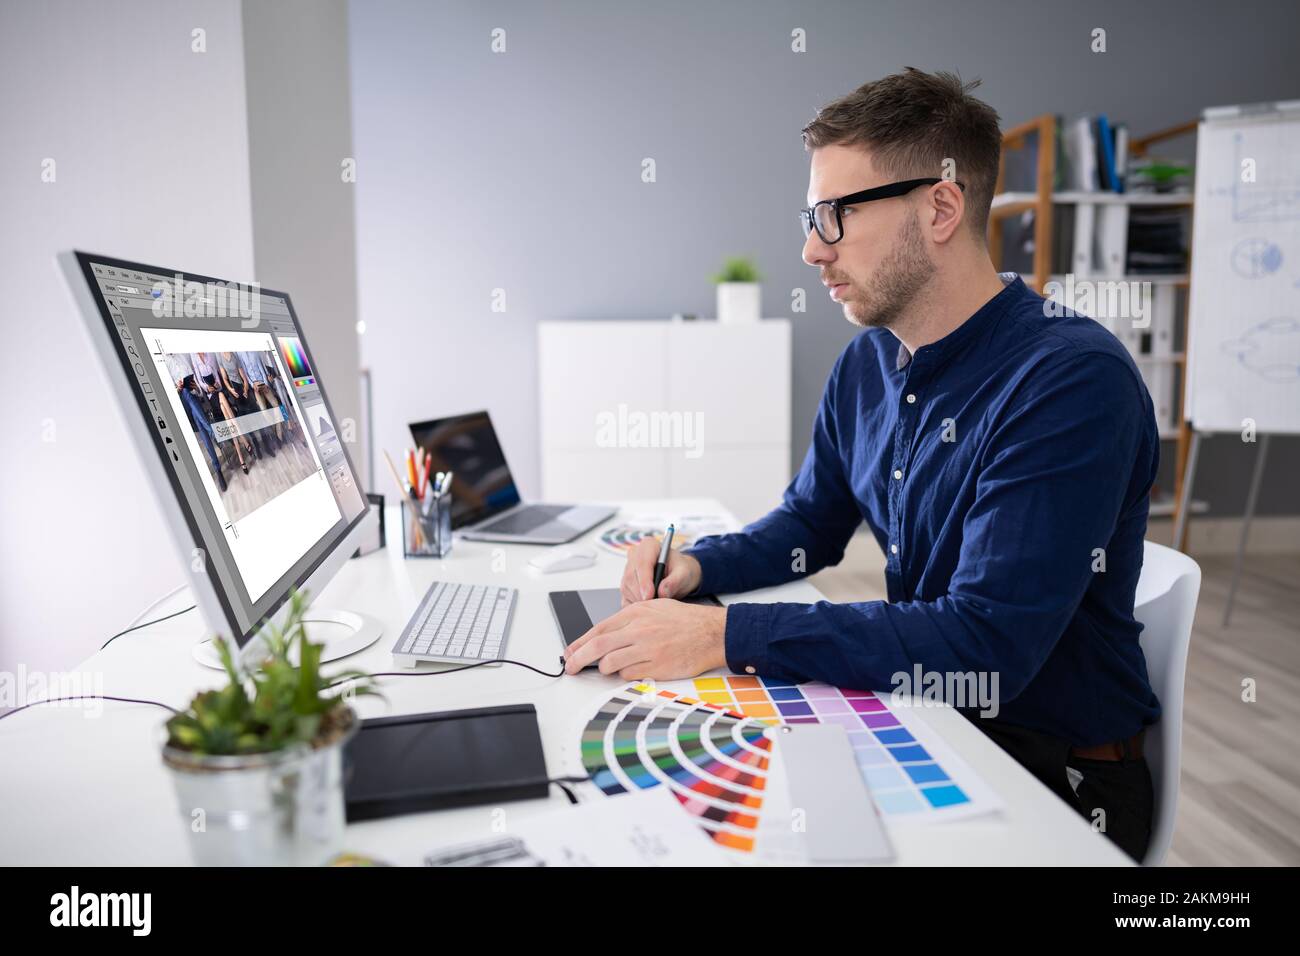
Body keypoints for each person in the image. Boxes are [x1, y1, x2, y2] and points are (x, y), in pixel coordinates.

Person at [562, 68, 1160, 862]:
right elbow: (809, 525)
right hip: (935, 719)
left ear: (941, 207)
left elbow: (985, 645)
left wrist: (725, 632)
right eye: (812, 217)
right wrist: (696, 571)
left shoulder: (1069, 379)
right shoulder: (868, 363)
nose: (811, 248)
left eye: (836, 215)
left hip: (1052, 777)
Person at [163, 352, 226, 492]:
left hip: (195, 400)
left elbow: (196, 386)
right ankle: (212, 431)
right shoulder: (162, 361)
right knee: (184, 391)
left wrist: (196, 388)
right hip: (182, 403)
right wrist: (177, 388)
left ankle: (218, 470)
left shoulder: (182, 356)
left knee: (203, 433)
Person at [192, 351, 253, 474]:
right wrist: (207, 387)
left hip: (220, 391)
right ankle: (244, 440)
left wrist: (217, 384)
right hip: (210, 396)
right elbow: (198, 380)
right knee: (225, 409)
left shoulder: (210, 354)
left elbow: (217, 374)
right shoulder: (194, 356)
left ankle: (242, 459)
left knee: (226, 412)